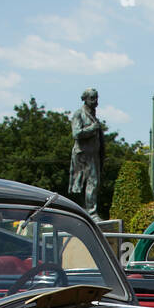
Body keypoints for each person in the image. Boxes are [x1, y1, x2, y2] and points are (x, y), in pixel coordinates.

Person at [69, 88, 105, 218]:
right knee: (87, 183)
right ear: (84, 99)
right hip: (83, 155)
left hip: (93, 155)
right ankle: (91, 213)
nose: (95, 102)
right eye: (92, 98)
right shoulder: (79, 114)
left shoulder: (93, 115)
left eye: (96, 98)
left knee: (93, 183)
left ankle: (86, 212)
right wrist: (92, 128)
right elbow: (76, 133)